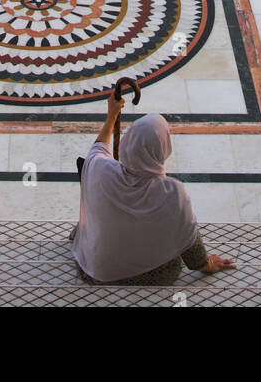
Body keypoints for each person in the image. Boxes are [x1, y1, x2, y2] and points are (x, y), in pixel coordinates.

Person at [71, 90, 236, 284]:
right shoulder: (173, 194)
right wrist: (207, 265)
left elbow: (98, 148)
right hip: (155, 275)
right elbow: (192, 252)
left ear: (128, 142)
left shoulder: (100, 169)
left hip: (97, 270)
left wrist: (111, 116)